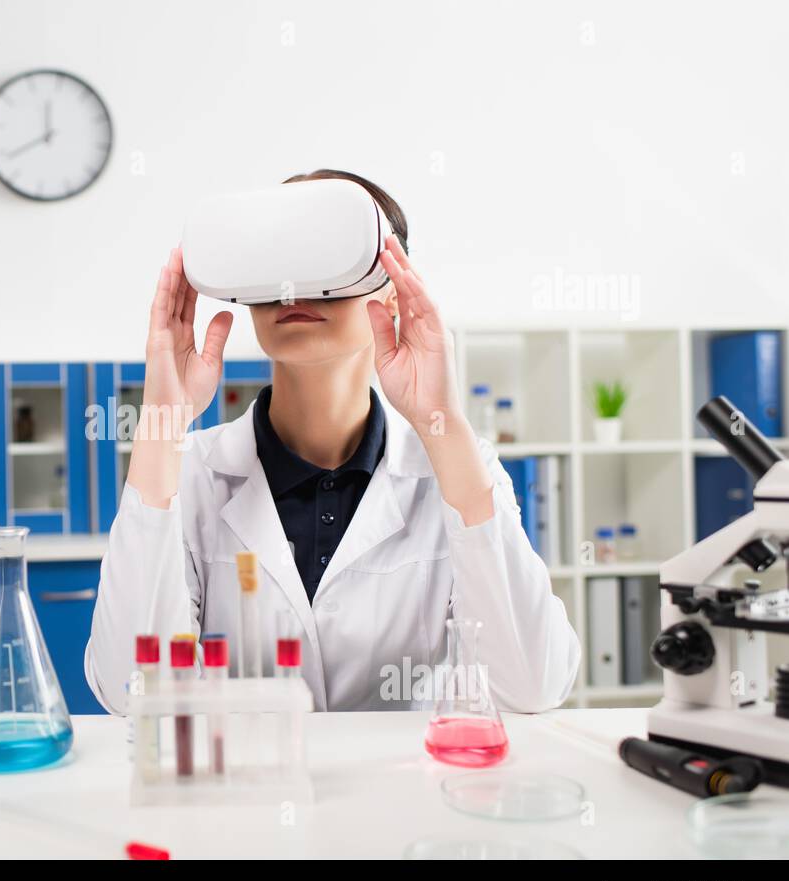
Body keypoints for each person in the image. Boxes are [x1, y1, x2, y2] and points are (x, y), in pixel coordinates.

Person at [85, 168, 580, 713]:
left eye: (326, 253)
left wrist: (444, 425)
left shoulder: (456, 470)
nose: (295, 286)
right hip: (247, 770)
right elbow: (133, 692)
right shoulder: (190, 474)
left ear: (394, 289)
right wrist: (161, 426)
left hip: (403, 772)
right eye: (276, 258)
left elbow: (531, 686)